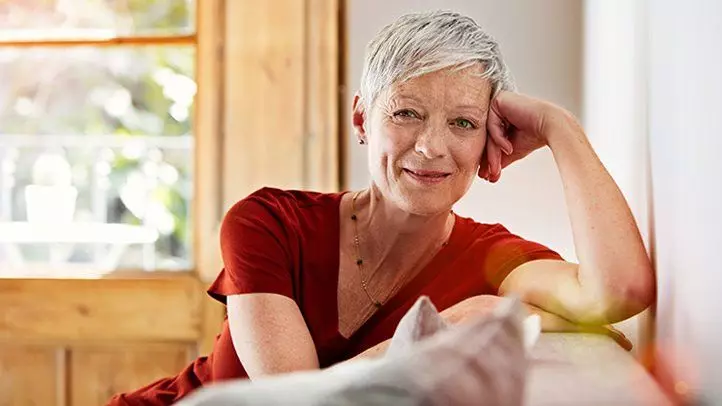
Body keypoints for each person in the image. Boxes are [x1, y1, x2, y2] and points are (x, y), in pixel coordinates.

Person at [109, 10, 654, 405]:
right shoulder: (267, 222)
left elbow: (620, 291)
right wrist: (453, 322)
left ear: (491, 138)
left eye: (463, 123)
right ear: (362, 120)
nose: (431, 147)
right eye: (407, 113)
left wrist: (561, 129)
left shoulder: (495, 258)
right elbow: (293, 398)